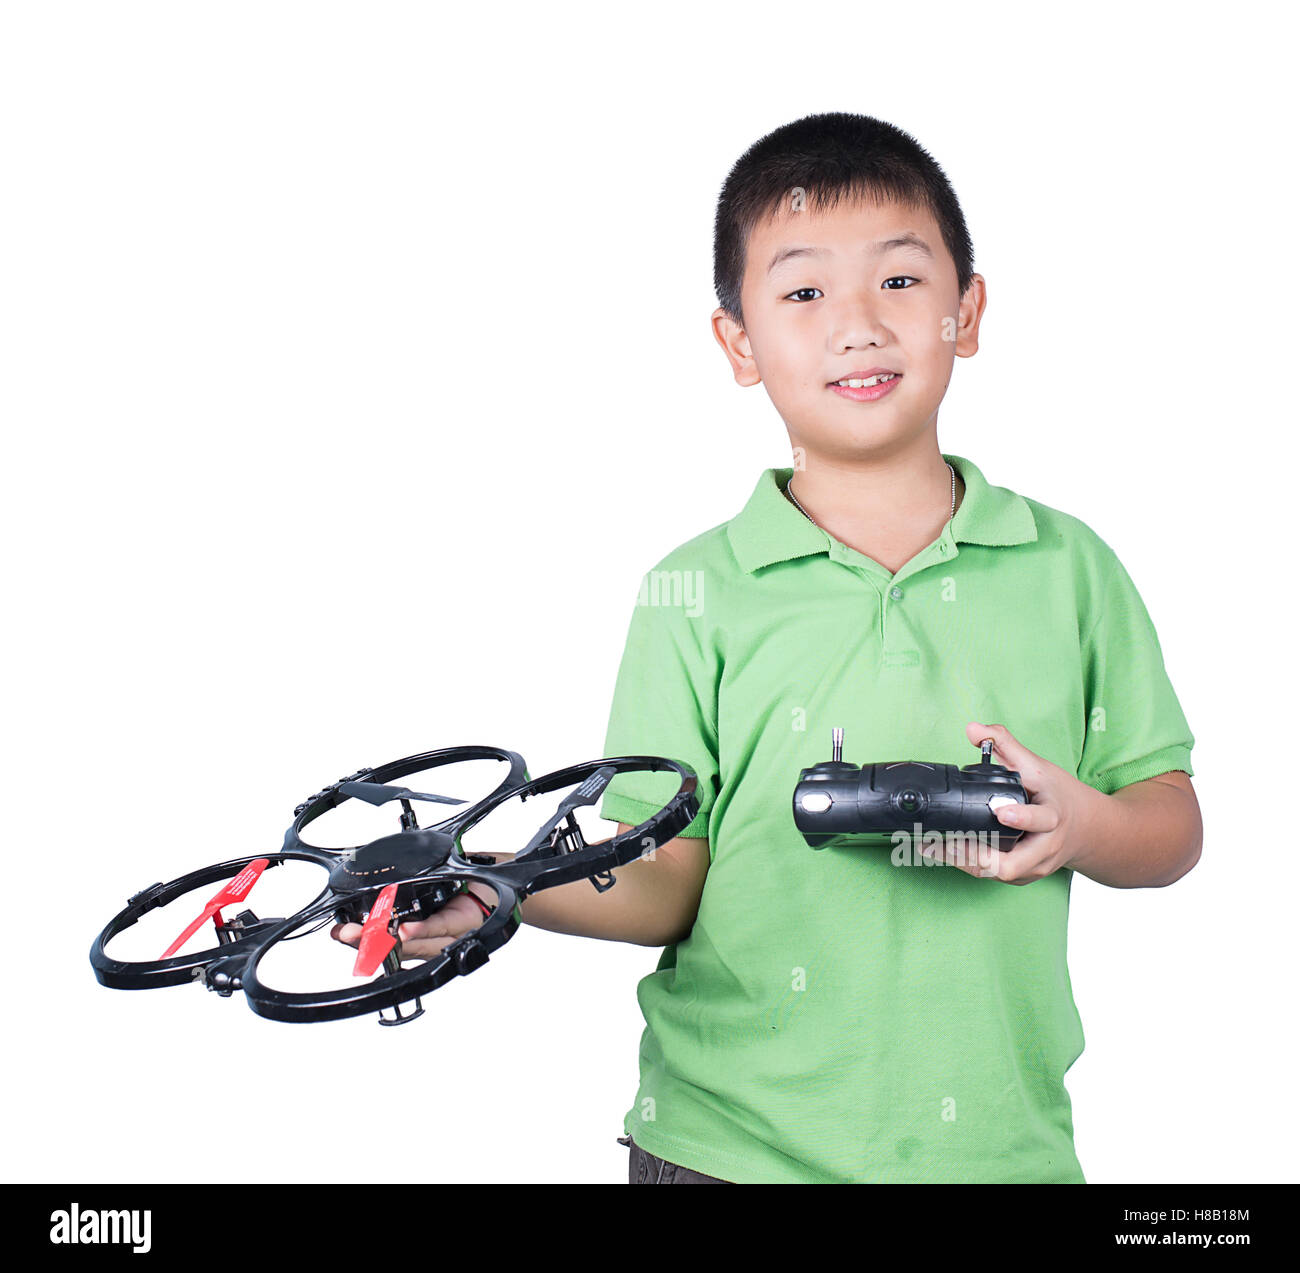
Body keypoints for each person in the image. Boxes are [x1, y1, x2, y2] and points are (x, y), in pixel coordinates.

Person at [334, 112, 1202, 1184]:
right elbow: (660, 880)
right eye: (801, 293)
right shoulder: (693, 594)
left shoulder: (1069, 569)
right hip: (724, 1151)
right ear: (737, 342)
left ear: (965, 312)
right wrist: (494, 882)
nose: (856, 326)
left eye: (897, 282)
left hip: (997, 1156)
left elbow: (1168, 825)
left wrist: (1082, 822)